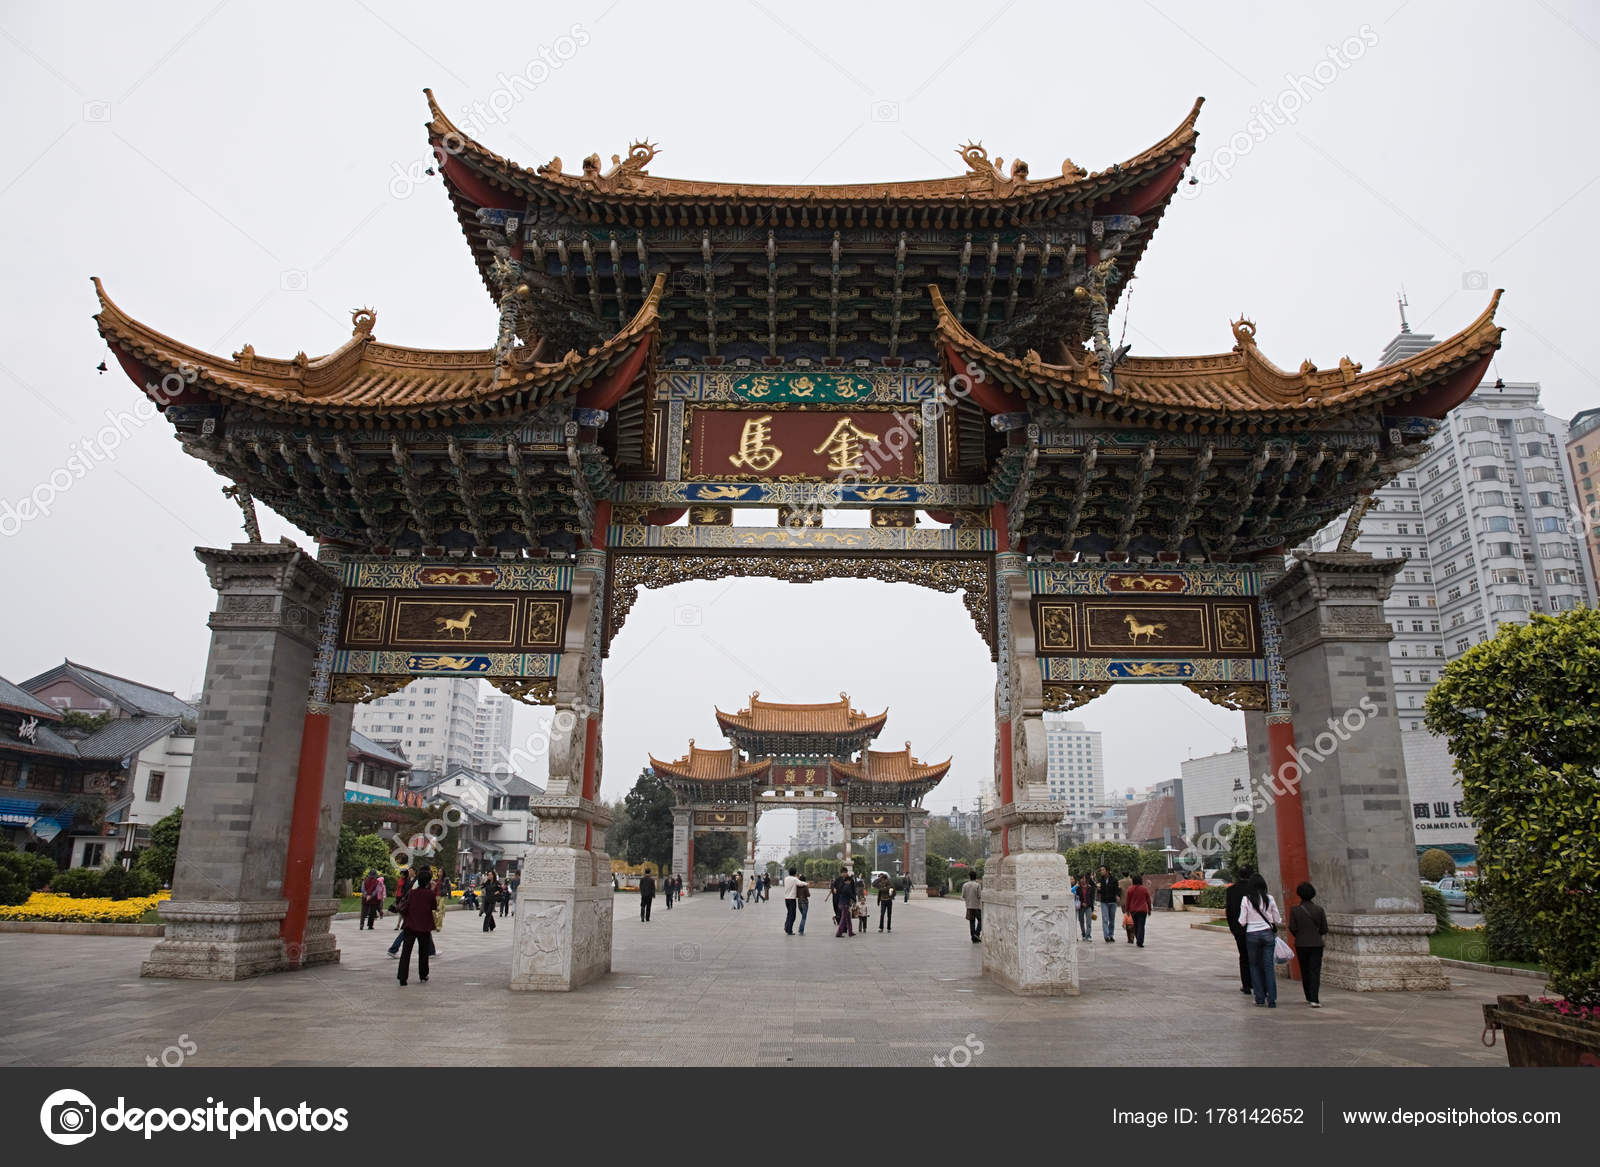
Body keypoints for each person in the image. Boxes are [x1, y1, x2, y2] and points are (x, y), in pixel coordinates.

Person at [1238, 873, 1283, 1007]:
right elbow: (1277, 919)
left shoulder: (1246, 899)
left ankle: (1259, 997)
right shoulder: (1269, 899)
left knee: (1254, 966)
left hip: (1252, 934)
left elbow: (1242, 921)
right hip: (1267, 933)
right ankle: (1272, 999)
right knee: (1269, 967)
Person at [1289, 882, 1329, 1008]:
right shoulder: (1319, 910)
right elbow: (1324, 929)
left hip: (1301, 944)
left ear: (1299, 894)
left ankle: (1308, 995)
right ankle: (1315, 998)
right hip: (1317, 943)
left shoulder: (1295, 910)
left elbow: (1293, 928)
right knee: (1315, 971)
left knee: (1305, 969)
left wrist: (1300, 935)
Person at [396, 865, 437, 986]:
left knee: (406, 952)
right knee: (423, 952)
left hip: (410, 925)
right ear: (428, 881)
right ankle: (423, 974)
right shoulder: (430, 894)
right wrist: (433, 890)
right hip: (424, 927)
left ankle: (402, 977)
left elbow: (406, 906)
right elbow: (434, 907)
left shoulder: (412, 893)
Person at [1224, 865, 1256, 994]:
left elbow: (1229, 912)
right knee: (1256, 957)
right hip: (1255, 927)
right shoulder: (1255, 889)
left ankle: (1246, 985)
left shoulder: (1231, 890)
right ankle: (1257, 982)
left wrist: (1233, 928)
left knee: (1244, 957)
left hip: (1239, 929)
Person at [1094, 866, 1121, 942]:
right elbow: (1100, 892)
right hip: (1104, 902)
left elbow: (1117, 889)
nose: (1101, 871)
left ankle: (1111, 935)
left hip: (1112, 902)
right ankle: (1106, 936)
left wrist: (1117, 896)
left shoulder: (1114, 880)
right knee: (1105, 919)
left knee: (1112, 920)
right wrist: (1098, 889)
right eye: (1101, 870)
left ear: (1107, 871)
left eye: (1103, 870)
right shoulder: (1100, 880)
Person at [1125, 874, 1152, 947]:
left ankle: (1138, 939)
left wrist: (1127, 910)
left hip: (1133, 911)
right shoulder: (1144, 889)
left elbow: (1127, 900)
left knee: (1136, 926)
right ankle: (1140, 941)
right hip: (1143, 910)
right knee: (1141, 926)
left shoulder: (1130, 889)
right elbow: (1148, 900)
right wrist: (1149, 909)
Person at [832, 867, 855, 937]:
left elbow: (853, 890)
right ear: (841, 873)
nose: (845, 874)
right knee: (842, 918)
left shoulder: (849, 881)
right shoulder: (841, 882)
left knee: (848, 918)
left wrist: (853, 898)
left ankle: (850, 931)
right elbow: (850, 893)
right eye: (843, 873)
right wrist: (854, 899)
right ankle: (839, 933)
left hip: (844, 902)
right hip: (843, 902)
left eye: (846, 872)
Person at [961, 872, 983, 943]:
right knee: (981, 920)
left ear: (969, 877)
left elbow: (963, 895)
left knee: (972, 921)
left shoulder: (965, 885)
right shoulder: (977, 885)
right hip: (977, 906)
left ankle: (973, 937)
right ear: (975, 877)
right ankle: (977, 934)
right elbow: (979, 895)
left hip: (969, 906)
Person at [1073, 874, 1094, 940]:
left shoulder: (1090, 887)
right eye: (1082, 878)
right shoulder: (1078, 888)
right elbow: (1076, 897)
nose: (1083, 880)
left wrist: (1090, 906)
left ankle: (1088, 935)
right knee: (1081, 921)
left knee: (1089, 922)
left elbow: (1092, 898)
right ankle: (1083, 934)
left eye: (1084, 878)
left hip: (1088, 906)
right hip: (1081, 907)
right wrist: (1082, 903)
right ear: (1079, 880)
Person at [782, 866, 802, 935]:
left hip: (786, 899)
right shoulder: (794, 879)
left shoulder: (786, 878)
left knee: (789, 913)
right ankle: (789, 930)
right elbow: (801, 883)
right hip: (792, 899)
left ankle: (786, 927)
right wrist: (807, 884)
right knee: (793, 915)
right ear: (795, 873)